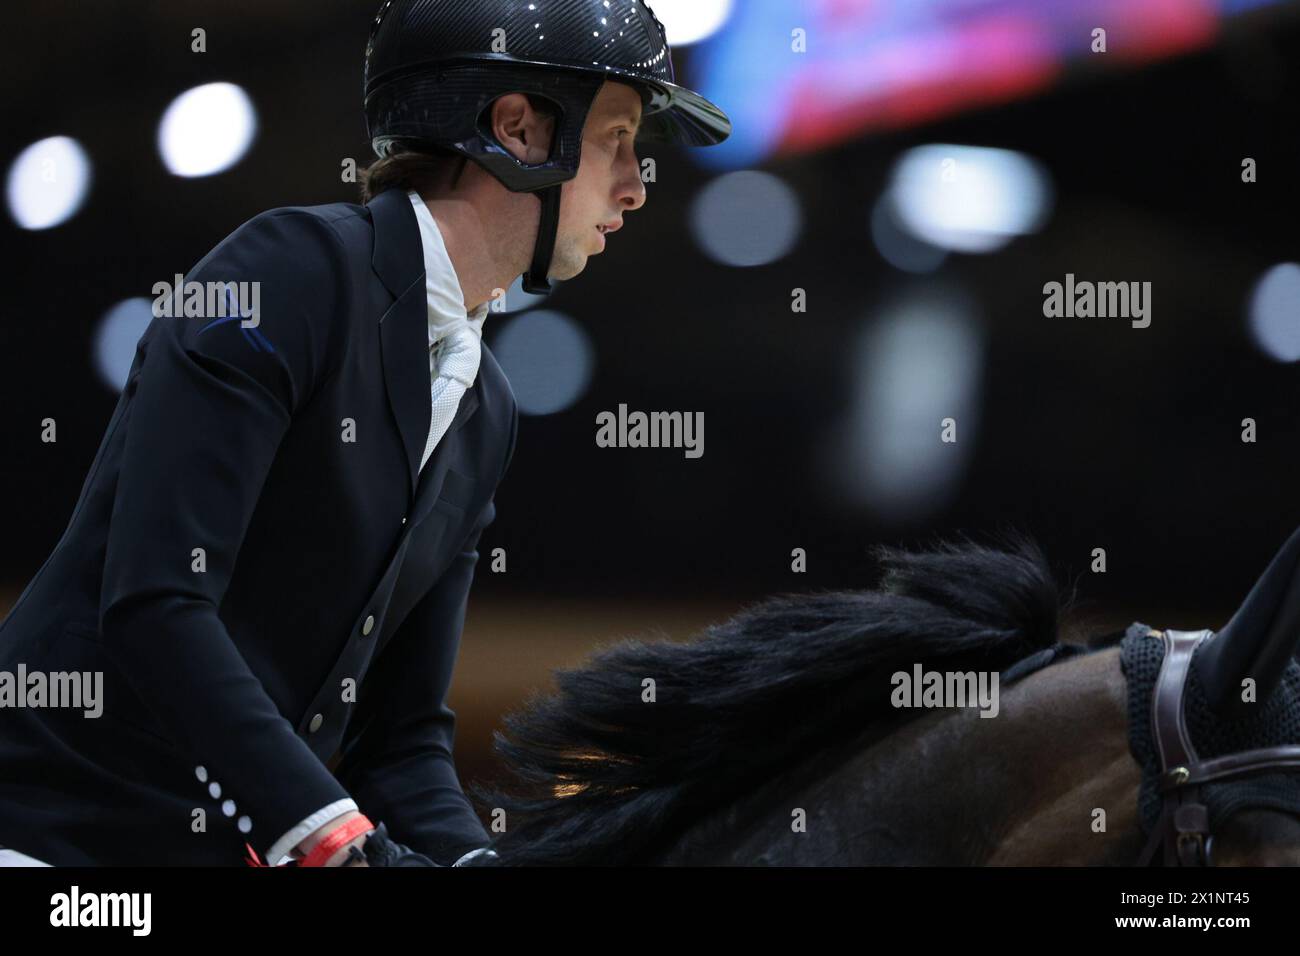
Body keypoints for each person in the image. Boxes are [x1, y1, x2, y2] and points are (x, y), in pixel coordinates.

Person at [0, 0, 729, 866]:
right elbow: (156, 606)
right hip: (51, 839)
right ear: (521, 130)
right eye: (616, 137)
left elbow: (402, 742)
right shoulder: (285, 271)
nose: (637, 184)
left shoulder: (484, 408)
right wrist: (340, 841)